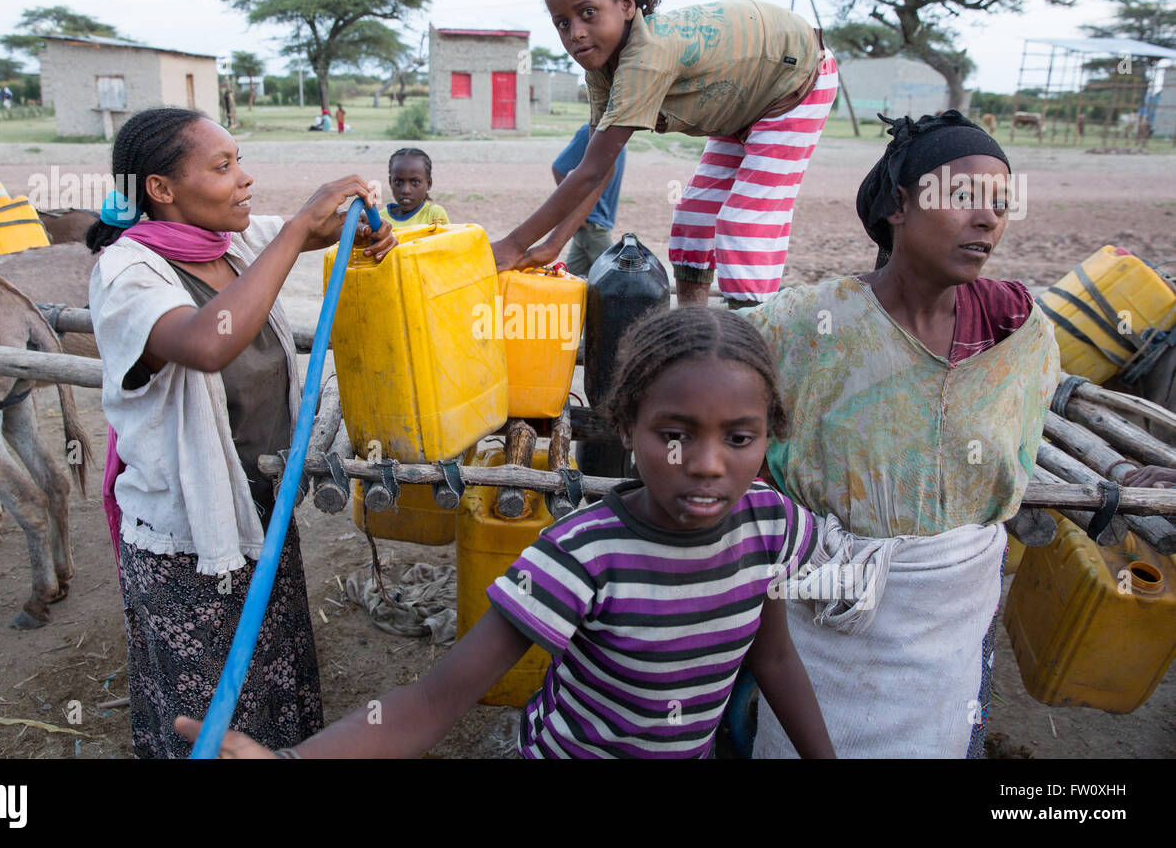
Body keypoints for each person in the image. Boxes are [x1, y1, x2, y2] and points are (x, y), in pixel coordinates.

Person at [176, 306, 835, 759]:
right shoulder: (582, 557)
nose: (708, 463)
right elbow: (437, 698)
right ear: (627, 426)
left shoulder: (770, 527)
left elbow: (771, 655)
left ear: (769, 434)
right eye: (674, 434)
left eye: (739, 438)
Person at [745, 111, 1059, 758]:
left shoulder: (1018, 335)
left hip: (951, 614)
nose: (988, 220)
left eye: (1001, 206)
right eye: (964, 197)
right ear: (898, 205)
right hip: (822, 621)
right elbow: (717, 396)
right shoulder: (804, 326)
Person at [85, 106, 396, 758]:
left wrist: (363, 224)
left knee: (267, 678)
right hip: (187, 540)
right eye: (223, 167)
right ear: (161, 190)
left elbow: (312, 230)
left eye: (239, 161)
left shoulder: (233, 243)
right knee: (205, 708)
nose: (245, 180)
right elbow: (205, 343)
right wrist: (295, 232)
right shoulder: (128, 273)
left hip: (261, 511)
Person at [489, 0, 838, 312]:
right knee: (693, 213)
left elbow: (589, 174)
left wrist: (511, 245)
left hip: (796, 83)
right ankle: (691, 328)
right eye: (562, 23)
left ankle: (755, 345)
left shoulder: (648, 57)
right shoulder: (600, 68)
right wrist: (550, 246)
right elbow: (598, 168)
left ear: (626, 4)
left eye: (587, 13)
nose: (575, 33)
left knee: (743, 222)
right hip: (742, 106)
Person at [552, 124, 626, 276]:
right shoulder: (590, 132)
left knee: (572, 278)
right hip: (593, 224)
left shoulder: (621, 131)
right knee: (617, 278)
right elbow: (559, 168)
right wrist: (577, 210)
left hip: (596, 223)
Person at [380, 148, 450, 229]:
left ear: (429, 183)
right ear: (390, 182)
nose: (406, 190)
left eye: (415, 182)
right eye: (398, 182)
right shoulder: (380, 219)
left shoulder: (434, 215)